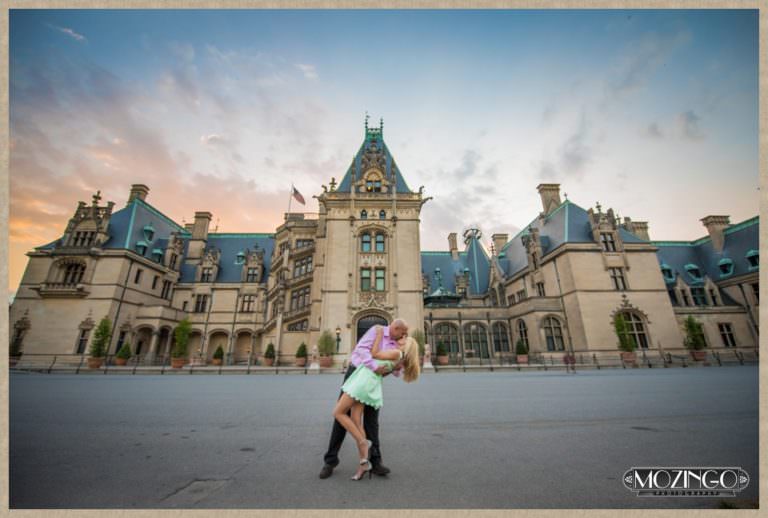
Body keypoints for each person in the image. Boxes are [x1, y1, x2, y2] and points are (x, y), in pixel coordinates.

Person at [318, 319, 408, 479]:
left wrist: (395, 368)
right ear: (395, 328)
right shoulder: (376, 330)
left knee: (371, 421)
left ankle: (374, 461)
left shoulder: (395, 344)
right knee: (342, 417)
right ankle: (330, 461)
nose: (404, 336)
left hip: (372, 380)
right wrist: (375, 367)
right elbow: (361, 349)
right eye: (403, 333)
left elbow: (391, 368)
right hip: (356, 373)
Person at [332, 331, 421, 480]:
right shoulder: (399, 358)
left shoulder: (397, 353)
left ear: (407, 346)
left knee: (338, 413)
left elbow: (374, 354)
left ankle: (362, 442)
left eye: (406, 339)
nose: (403, 338)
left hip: (363, 382)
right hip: (369, 381)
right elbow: (385, 368)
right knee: (355, 418)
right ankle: (363, 462)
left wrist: (379, 336)